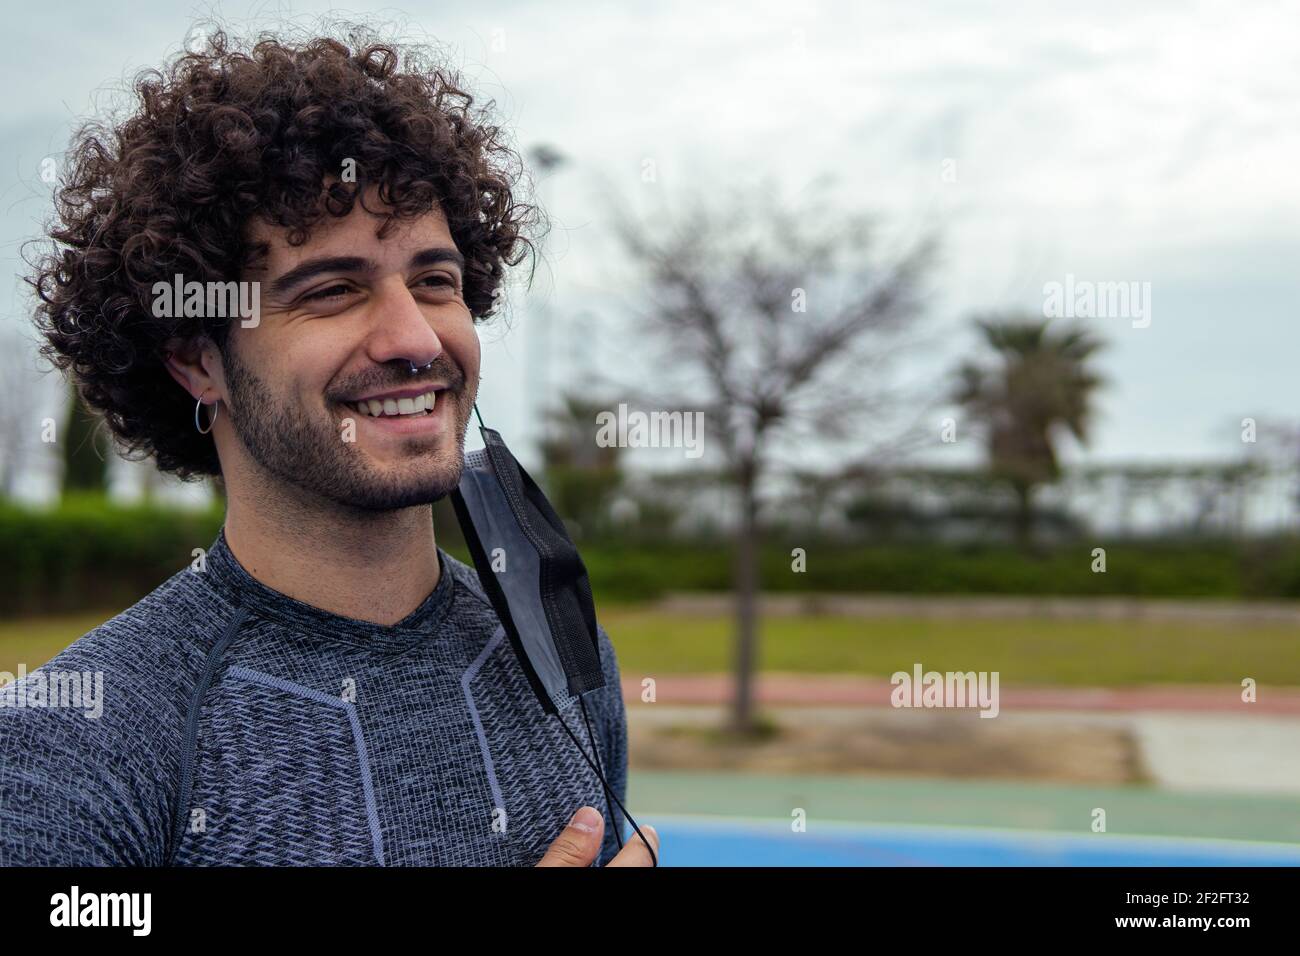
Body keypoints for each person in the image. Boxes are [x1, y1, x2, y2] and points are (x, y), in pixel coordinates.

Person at [0, 26, 656, 867]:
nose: (415, 337)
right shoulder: (72, 742)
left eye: (435, 281)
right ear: (201, 360)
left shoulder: (563, 651)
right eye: (334, 290)